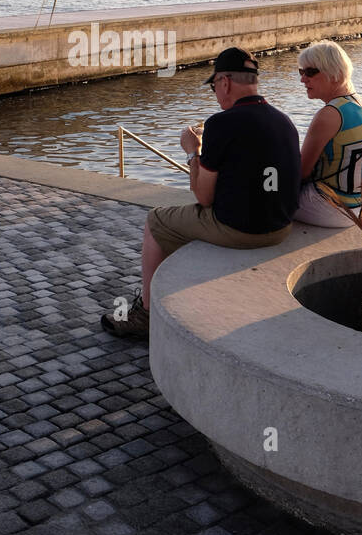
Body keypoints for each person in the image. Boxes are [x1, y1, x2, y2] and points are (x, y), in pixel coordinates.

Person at [101, 47, 301, 338]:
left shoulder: (222, 123)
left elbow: (203, 198)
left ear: (224, 82)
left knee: (157, 221)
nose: (216, 93)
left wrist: (193, 151)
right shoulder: (284, 121)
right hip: (281, 226)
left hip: (243, 230)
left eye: (213, 86)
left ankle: (145, 315)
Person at [294, 41, 362, 227]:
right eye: (301, 72)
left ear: (334, 75)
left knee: (263, 187)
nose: (303, 79)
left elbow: (301, 172)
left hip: (334, 208)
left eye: (310, 72)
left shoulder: (329, 115)